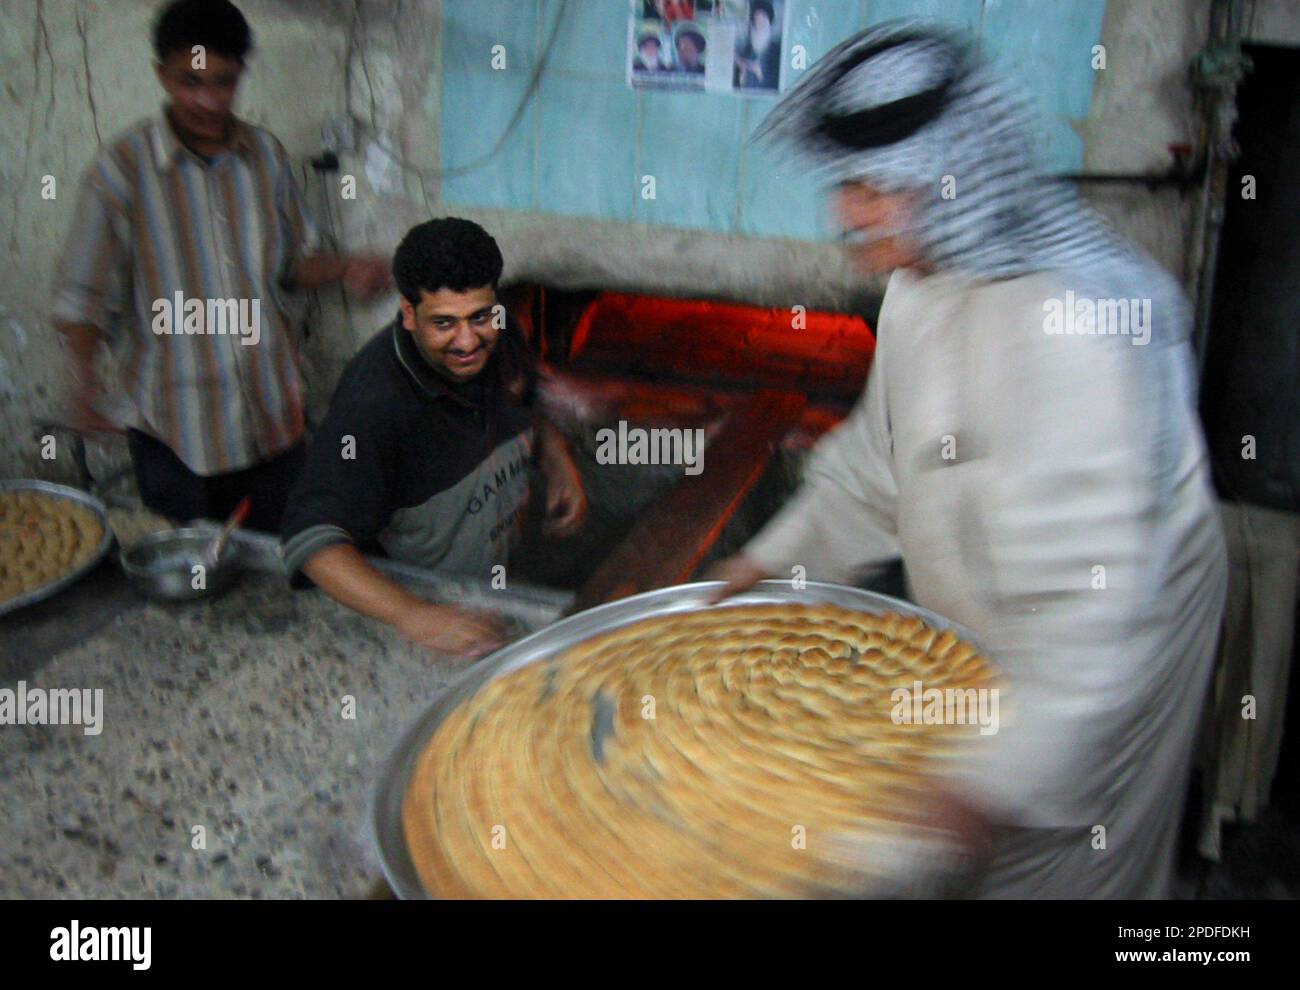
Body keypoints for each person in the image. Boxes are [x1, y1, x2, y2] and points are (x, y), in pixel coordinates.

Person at [710, 23, 1228, 897]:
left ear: (952, 179)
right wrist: (764, 563)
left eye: (874, 186)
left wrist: (971, 796)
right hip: (1015, 612)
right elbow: (882, 467)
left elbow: (1089, 619)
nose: (847, 212)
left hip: (1123, 624)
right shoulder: (923, 285)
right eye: (847, 183)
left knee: (1062, 857)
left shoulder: (1074, 328)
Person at [51, 0, 391, 533]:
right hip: (178, 439)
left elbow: (288, 265)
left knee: (292, 564)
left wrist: (347, 268)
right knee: (200, 583)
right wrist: (83, 383)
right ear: (161, 74)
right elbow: (81, 296)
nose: (209, 101)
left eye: (225, 82)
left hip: (273, 425)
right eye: (191, 81)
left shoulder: (266, 158)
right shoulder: (121, 172)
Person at [280, 219, 588, 658]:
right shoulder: (374, 404)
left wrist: (558, 462)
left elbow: (527, 405)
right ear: (408, 313)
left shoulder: (501, 338)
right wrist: (413, 615)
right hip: (433, 616)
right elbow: (311, 539)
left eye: (479, 317)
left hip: (496, 583)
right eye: (444, 323)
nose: (467, 342)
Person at [734, 0, 781, 90]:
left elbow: (777, 84)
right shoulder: (747, 50)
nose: (760, 22)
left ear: (769, 22)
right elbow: (737, 84)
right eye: (757, 19)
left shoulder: (777, 51)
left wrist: (760, 73)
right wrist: (742, 76)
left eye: (763, 18)